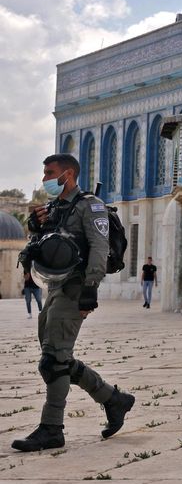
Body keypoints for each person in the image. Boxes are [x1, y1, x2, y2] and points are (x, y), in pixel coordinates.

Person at [13, 153, 135, 452]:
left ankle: (52, 428)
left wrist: (90, 288)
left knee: (54, 358)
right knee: (55, 358)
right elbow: (47, 243)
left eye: (49, 173)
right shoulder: (56, 208)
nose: (45, 179)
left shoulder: (90, 205)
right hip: (55, 286)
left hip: (76, 286)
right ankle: (113, 399)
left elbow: (98, 246)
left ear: (67, 175)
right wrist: (33, 225)